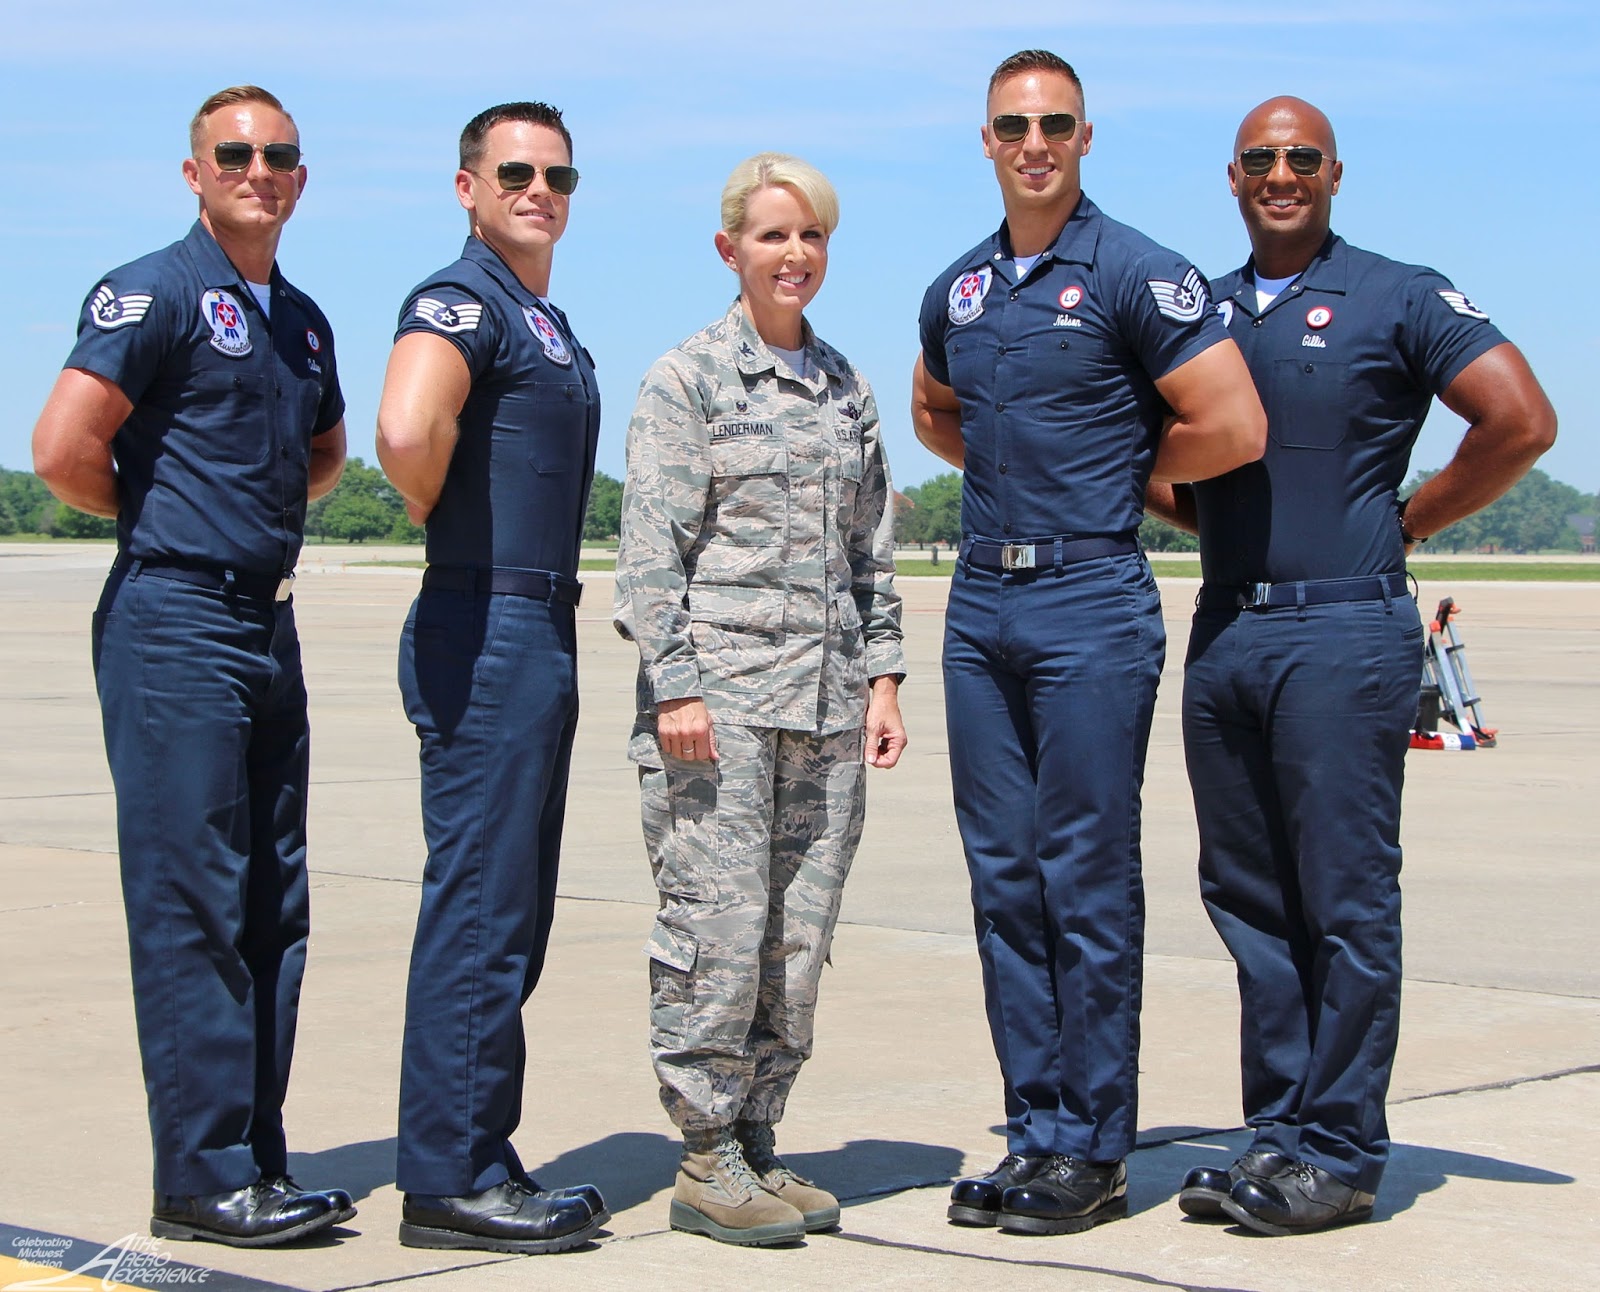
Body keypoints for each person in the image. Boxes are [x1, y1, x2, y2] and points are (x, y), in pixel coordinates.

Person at [1147, 97, 1556, 1236]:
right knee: (1247, 896)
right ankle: (1274, 1133)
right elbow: (1139, 452)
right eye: (1261, 159)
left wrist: (1408, 519)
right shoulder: (1200, 312)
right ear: (1231, 176)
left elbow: (1520, 419)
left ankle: (1339, 1147)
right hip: (1228, 628)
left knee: (1341, 897)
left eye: (1302, 158)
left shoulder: (1400, 293)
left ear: (1335, 172)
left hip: (1344, 632)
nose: (1282, 173)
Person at [912, 50, 1266, 1236]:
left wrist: (1108, 479)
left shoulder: (1137, 273)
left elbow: (1231, 421)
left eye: (1055, 123)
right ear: (986, 139)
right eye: (1013, 125)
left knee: (1085, 877)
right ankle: (1037, 1129)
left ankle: (1097, 1146)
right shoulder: (960, 289)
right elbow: (932, 408)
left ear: (1084, 134)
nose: (1034, 144)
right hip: (978, 603)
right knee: (1004, 878)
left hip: (1087, 603)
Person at [30, 86, 351, 1246]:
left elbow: (325, 451)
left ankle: (256, 1152)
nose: (258, 169)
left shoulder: (301, 318)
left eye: (279, 155)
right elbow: (63, 447)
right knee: (193, 902)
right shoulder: (154, 291)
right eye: (235, 153)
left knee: (276, 896)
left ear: (300, 178)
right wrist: (174, 523)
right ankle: (200, 1172)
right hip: (174, 620)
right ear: (195, 172)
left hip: (266, 624)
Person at [614, 152, 907, 1247]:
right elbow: (650, 557)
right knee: (716, 934)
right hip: (719, 716)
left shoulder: (844, 387)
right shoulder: (686, 380)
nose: (795, 256)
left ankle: (757, 1140)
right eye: (774, 236)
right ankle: (701, 1153)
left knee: (796, 938)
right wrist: (675, 689)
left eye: (813, 237)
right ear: (729, 247)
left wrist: (882, 679)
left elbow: (870, 553)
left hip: (825, 712)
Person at [375, 101, 606, 1255]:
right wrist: (443, 520)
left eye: (557, 174)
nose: (538, 189)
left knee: (508, 908)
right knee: (479, 906)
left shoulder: (534, 314)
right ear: (466, 185)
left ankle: (477, 1142)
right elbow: (406, 427)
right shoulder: (459, 300)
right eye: (514, 171)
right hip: (488, 620)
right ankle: (451, 1173)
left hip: (532, 623)